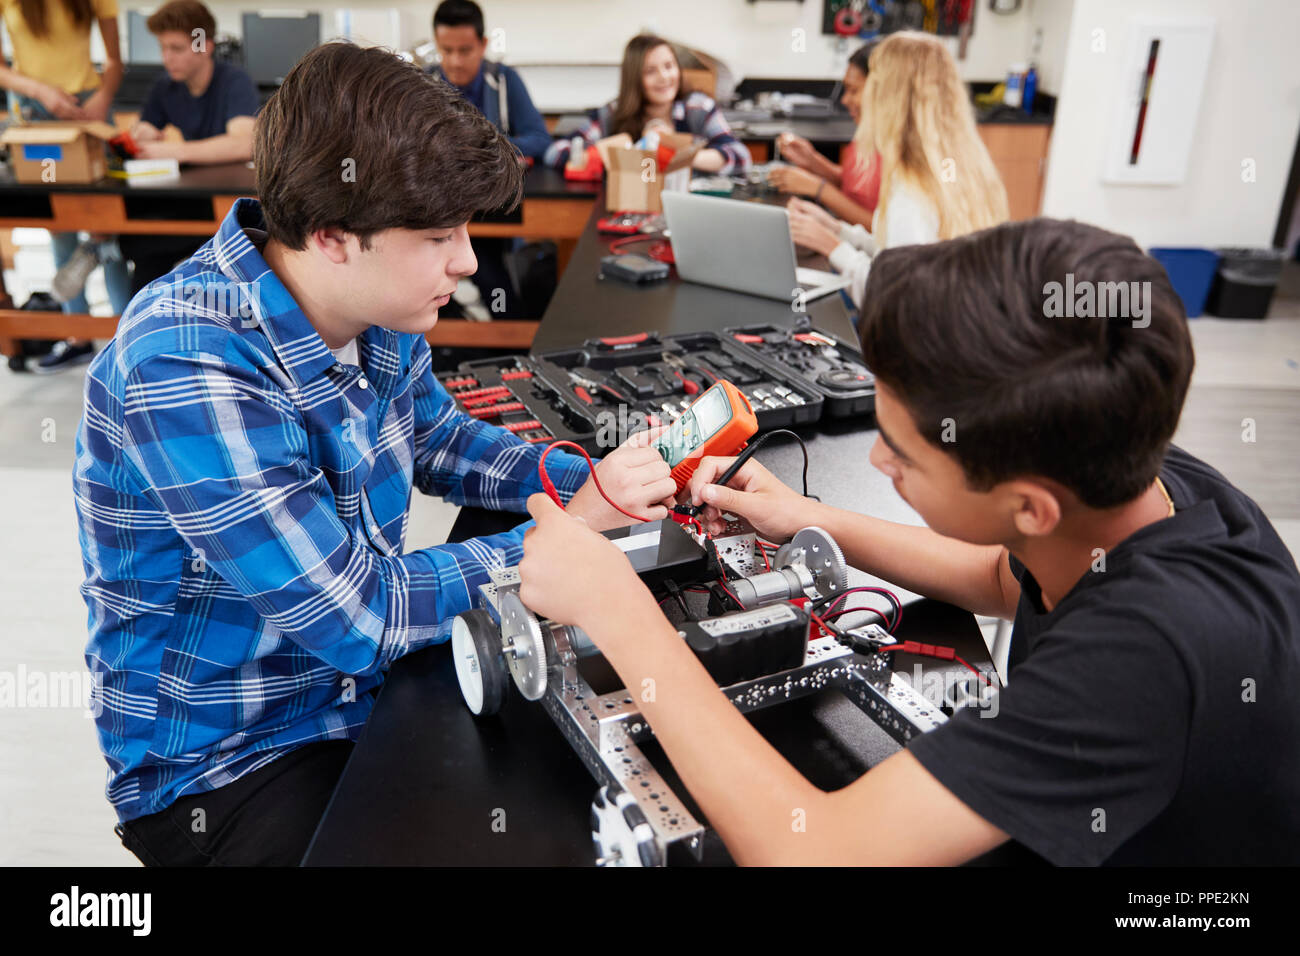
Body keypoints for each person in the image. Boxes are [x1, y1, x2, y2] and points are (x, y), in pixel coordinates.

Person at [517, 217, 1300, 865]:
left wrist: (618, 610)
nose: (877, 461)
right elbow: (1007, 577)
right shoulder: (1131, 472)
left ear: (1029, 506)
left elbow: (813, 852)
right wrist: (807, 518)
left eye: (904, 453)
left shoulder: (1140, 660)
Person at [74, 41, 676, 866]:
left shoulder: (374, 308)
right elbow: (359, 615)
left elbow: (443, 440)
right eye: (439, 236)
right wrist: (566, 534)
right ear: (332, 235)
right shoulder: (182, 363)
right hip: (233, 762)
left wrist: (604, 480)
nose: (467, 260)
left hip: (358, 690)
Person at [786, 31, 1007, 306]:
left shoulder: (912, 191)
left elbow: (894, 298)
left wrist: (832, 246)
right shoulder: (961, 165)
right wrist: (838, 231)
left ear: (888, 97)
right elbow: (895, 254)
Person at [0, 0, 131, 369]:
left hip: (87, 106)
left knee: (107, 224)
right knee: (59, 224)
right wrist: (41, 91)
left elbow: (114, 61)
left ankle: (125, 335)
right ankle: (78, 337)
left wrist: (102, 99)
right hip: (33, 110)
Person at [118, 0, 259, 297]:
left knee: (144, 243)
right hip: (190, 199)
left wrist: (173, 151)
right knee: (139, 240)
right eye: (163, 48)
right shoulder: (165, 87)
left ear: (204, 47)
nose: (167, 58)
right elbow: (147, 128)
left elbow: (244, 144)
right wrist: (144, 134)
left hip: (228, 205)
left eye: (176, 48)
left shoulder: (235, 81)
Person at [429, 0, 551, 318]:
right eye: (446, 50)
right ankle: (456, 329)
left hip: (493, 209)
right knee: (427, 281)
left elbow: (539, 139)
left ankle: (506, 327)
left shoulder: (506, 81)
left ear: (483, 44)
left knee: (491, 275)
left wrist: (481, 148)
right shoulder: (423, 86)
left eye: (465, 50)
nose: (455, 61)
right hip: (436, 210)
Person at [544, 33, 751, 176]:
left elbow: (741, 157)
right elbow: (555, 152)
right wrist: (608, 154)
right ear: (634, 79)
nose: (664, 77)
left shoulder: (698, 107)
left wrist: (679, 154)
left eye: (669, 66)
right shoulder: (613, 112)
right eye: (650, 71)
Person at [769, 40, 880, 229]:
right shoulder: (868, 134)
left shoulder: (904, 149)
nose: (845, 100)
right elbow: (856, 185)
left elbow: (881, 229)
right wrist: (813, 162)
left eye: (854, 90)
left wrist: (819, 188)